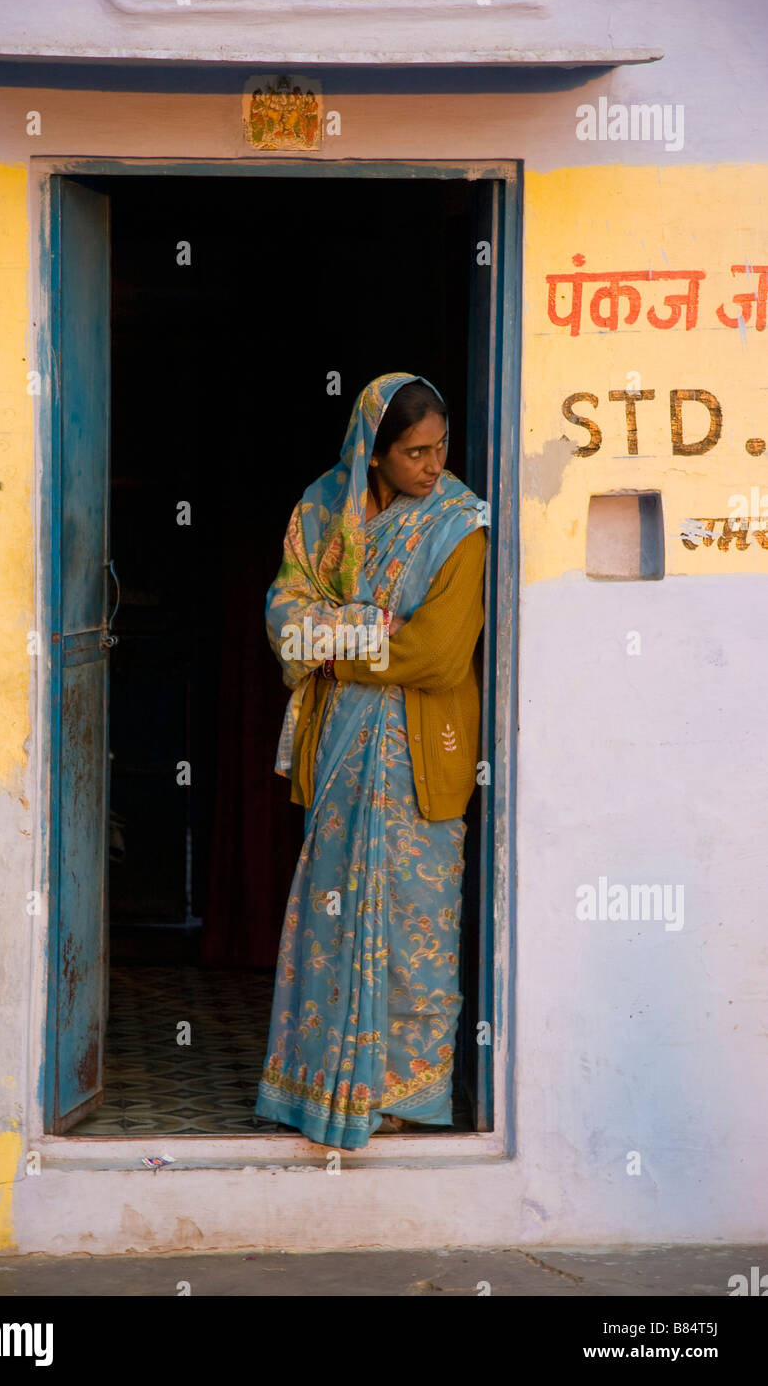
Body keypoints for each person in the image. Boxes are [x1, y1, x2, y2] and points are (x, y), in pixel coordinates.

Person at [255, 372, 488, 1149]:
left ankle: (406, 1097)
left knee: (415, 924)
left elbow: (438, 653)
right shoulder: (326, 509)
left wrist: (341, 644)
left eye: (440, 447)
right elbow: (288, 617)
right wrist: (362, 624)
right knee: (334, 913)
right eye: (414, 452)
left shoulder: (459, 527)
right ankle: (320, 1087)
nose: (433, 465)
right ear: (374, 453)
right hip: (344, 753)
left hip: (423, 754)